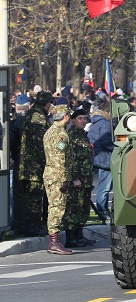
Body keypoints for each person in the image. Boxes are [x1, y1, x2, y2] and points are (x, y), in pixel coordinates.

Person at [14, 90, 53, 236]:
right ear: (47, 104)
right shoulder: (39, 119)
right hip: (34, 166)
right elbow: (40, 145)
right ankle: (32, 227)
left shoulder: (30, 115)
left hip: (26, 163)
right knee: (34, 197)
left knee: (28, 196)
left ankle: (28, 225)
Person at [43, 103, 74, 255]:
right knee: (57, 208)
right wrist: (63, 179)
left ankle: (54, 241)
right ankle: (54, 242)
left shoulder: (49, 131)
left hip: (50, 173)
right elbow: (60, 157)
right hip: (57, 175)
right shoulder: (61, 134)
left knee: (53, 206)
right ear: (65, 116)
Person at [64, 108, 95, 248]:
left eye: (84, 118)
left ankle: (79, 235)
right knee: (74, 208)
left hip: (86, 179)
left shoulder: (83, 135)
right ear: (73, 120)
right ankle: (71, 237)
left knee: (83, 208)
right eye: (80, 118)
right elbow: (71, 160)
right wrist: (75, 178)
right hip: (77, 179)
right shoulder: (71, 135)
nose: (83, 121)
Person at [89, 98, 114, 224]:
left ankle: (102, 209)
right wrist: (116, 148)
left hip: (100, 157)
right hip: (106, 158)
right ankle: (102, 210)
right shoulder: (105, 123)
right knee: (105, 187)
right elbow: (106, 141)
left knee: (104, 186)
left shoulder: (97, 122)